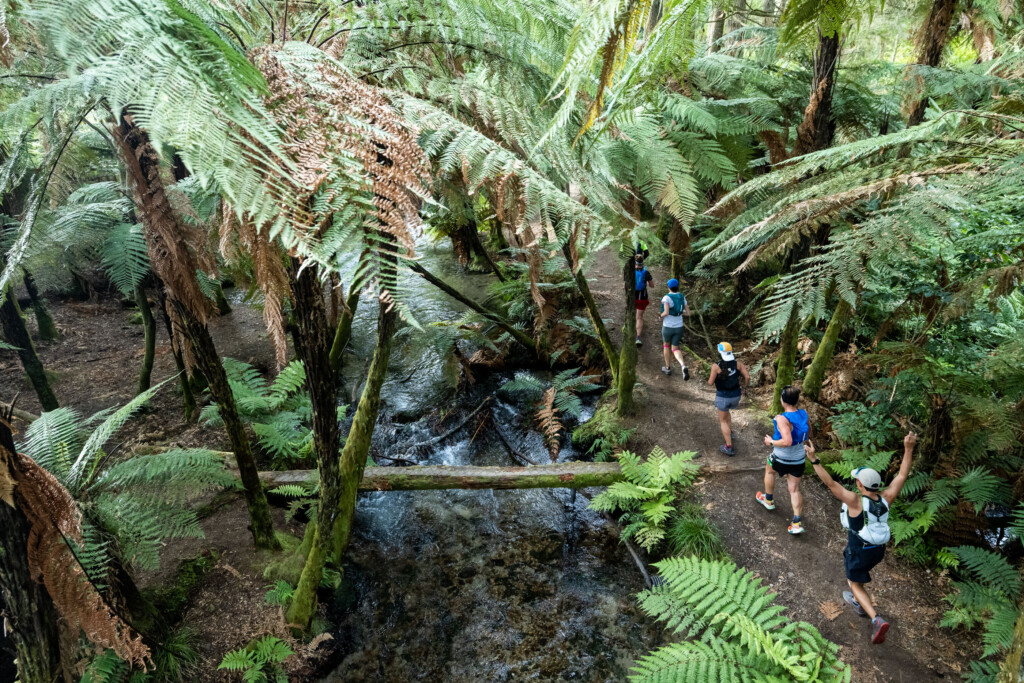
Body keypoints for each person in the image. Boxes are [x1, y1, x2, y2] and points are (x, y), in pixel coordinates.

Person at [806, 432, 918, 645]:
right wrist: (909, 448)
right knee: (857, 574)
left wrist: (814, 460)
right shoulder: (886, 498)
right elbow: (902, 475)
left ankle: (876, 619)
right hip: (878, 551)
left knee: (853, 582)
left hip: (860, 550)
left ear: (860, 484)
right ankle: (859, 601)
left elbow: (831, 483)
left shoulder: (855, 501)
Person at [756, 385, 809, 534]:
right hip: (798, 459)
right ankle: (796, 523)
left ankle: (768, 500)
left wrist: (771, 442)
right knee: (794, 489)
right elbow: (807, 432)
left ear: (783, 401)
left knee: (769, 471)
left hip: (781, 458)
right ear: (796, 400)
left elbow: (787, 441)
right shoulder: (804, 414)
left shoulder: (782, 418)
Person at [707, 342, 749, 456]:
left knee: (723, 421)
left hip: (722, 397)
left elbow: (710, 383)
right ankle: (730, 432)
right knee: (727, 414)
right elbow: (747, 376)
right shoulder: (738, 364)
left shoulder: (716, 366)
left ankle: (729, 446)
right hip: (736, 396)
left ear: (720, 353)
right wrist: (744, 387)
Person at [659, 278, 691, 379]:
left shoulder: (667, 298)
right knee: (675, 348)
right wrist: (680, 313)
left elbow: (666, 312)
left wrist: (660, 316)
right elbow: (688, 313)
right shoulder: (682, 296)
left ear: (668, 287)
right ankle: (683, 365)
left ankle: (667, 367)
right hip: (679, 327)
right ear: (677, 287)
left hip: (668, 327)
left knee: (666, 346)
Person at [633, 255, 654, 346]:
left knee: (634, 314)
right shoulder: (646, 273)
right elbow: (652, 286)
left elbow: (625, 285)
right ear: (642, 263)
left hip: (632, 297)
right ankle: (638, 337)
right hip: (642, 298)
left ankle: (630, 327)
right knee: (639, 317)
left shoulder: (631, 271)